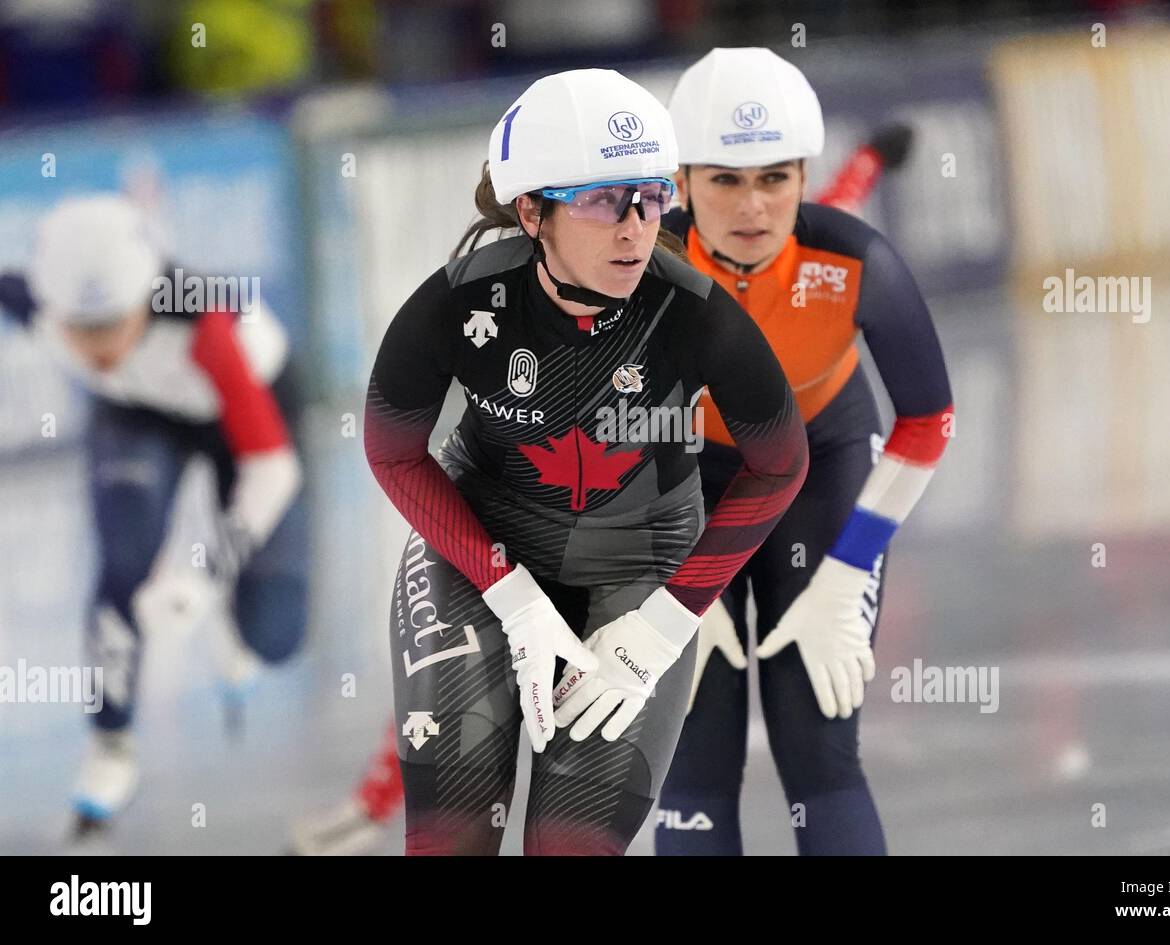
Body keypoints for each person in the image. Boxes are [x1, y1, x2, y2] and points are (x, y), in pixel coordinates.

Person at [362, 67, 809, 855]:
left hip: (640, 571)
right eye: (604, 201)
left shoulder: (695, 314)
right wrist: (511, 593)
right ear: (532, 209)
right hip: (480, 557)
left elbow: (781, 463)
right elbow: (392, 450)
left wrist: (666, 623)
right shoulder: (463, 305)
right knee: (451, 838)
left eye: (652, 196)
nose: (636, 228)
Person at [654, 47, 954, 856]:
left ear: (798, 174)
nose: (752, 206)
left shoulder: (859, 264)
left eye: (775, 178)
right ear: (677, 183)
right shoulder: (637, 272)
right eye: (723, 179)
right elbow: (598, 437)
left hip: (819, 468)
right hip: (687, 485)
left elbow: (926, 424)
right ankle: (857, 164)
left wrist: (851, 567)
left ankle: (864, 163)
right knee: (690, 754)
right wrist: (669, 582)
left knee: (820, 754)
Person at [0, 194, 308, 834]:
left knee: (274, 634)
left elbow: (273, 470)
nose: (102, 346)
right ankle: (110, 742)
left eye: (116, 322)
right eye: (81, 331)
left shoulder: (207, 325)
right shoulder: (33, 302)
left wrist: (203, 569)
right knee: (126, 553)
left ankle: (232, 609)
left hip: (243, 425)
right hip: (136, 415)